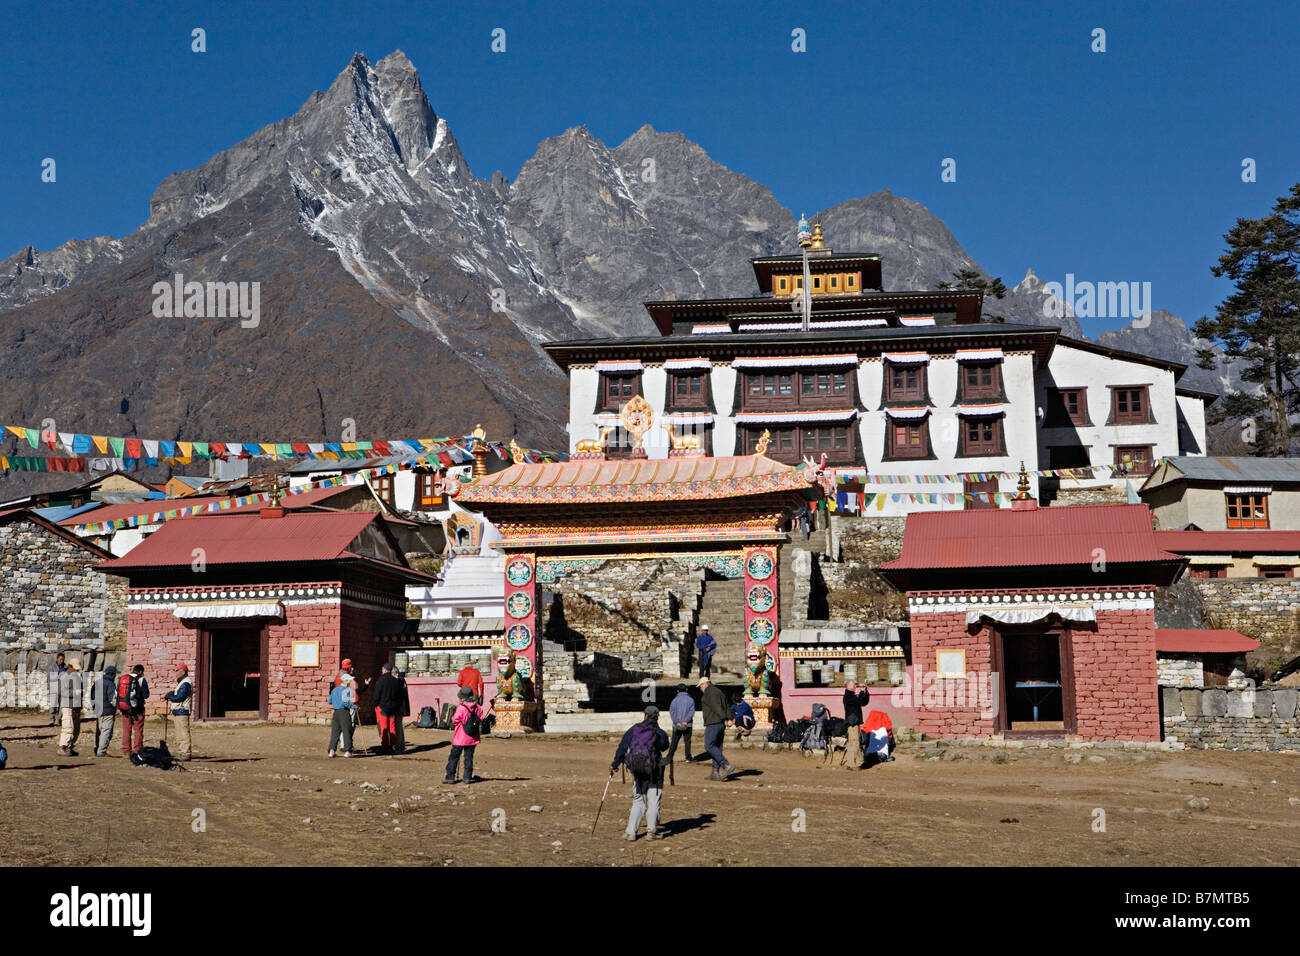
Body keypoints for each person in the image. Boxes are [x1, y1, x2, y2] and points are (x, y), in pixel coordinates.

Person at [611, 705, 669, 841]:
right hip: (655, 770)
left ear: (645, 715)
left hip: (638, 769)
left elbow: (622, 747)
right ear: (657, 717)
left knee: (638, 800)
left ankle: (631, 832)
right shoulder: (659, 732)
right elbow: (665, 746)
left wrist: (615, 764)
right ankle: (651, 832)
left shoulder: (634, 729)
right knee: (653, 801)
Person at [699, 677, 738, 780]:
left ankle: (726, 765)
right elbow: (726, 706)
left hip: (713, 722)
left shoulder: (708, 692)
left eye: (700, 686)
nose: (700, 689)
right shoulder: (719, 691)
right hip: (720, 724)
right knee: (717, 747)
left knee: (709, 746)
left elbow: (716, 707)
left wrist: (725, 718)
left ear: (704, 684)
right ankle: (715, 772)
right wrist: (730, 718)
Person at [444, 686, 484, 784]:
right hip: (472, 738)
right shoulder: (478, 708)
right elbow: (481, 717)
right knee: (468, 758)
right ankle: (467, 777)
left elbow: (455, 720)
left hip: (460, 738)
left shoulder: (461, 708)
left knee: (454, 757)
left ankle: (450, 777)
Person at [163, 664, 195, 761]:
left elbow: (180, 697)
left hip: (182, 711)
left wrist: (170, 697)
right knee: (179, 732)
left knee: (183, 732)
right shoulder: (182, 683)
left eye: (177, 670)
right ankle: (182, 751)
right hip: (179, 711)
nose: (175, 673)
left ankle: (185, 753)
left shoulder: (185, 683)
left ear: (183, 672)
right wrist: (172, 694)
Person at [118, 664, 149, 757]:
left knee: (126, 730)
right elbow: (146, 695)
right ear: (140, 672)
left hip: (125, 709)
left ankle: (126, 751)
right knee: (138, 730)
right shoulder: (141, 680)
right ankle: (137, 750)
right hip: (138, 709)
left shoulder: (123, 679)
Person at [56, 660, 83, 756]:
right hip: (68, 705)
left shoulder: (77, 676)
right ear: (70, 666)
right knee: (68, 727)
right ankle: (63, 747)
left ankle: (69, 746)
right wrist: (75, 693)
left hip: (76, 705)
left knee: (76, 728)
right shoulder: (64, 677)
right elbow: (61, 692)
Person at [372, 663, 400, 753]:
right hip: (393, 707)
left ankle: (385, 745)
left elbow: (376, 695)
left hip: (383, 707)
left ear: (384, 670)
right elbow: (398, 695)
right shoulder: (395, 681)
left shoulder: (381, 680)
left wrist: (375, 704)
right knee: (392, 727)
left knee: (384, 727)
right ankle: (393, 745)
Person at [90, 664, 118, 757]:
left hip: (98, 710)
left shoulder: (97, 682)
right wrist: (115, 708)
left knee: (99, 730)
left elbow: (92, 696)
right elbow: (112, 698)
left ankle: (97, 748)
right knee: (106, 731)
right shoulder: (110, 684)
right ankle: (101, 751)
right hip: (108, 710)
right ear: (113, 675)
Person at [843, 679, 871, 770]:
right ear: (848, 686)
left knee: (854, 743)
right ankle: (853, 764)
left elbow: (863, 702)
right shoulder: (848, 696)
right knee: (854, 743)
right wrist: (862, 691)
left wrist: (865, 692)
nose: (855, 686)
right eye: (854, 685)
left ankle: (853, 762)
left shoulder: (852, 696)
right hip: (852, 723)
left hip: (855, 722)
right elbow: (859, 701)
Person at [666, 684, 695, 764]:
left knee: (674, 742)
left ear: (677, 691)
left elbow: (672, 712)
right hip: (687, 725)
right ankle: (688, 757)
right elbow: (691, 712)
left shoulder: (674, 700)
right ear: (686, 690)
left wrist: (676, 722)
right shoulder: (690, 700)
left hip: (676, 725)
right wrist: (686, 721)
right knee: (687, 742)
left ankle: (669, 757)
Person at [328, 677, 357, 757]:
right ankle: (348, 751)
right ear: (347, 682)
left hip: (336, 712)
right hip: (344, 712)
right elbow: (345, 702)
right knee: (346, 731)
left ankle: (332, 751)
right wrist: (354, 706)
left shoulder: (334, 690)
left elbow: (329, 701)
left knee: (335, 732)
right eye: (350, 681)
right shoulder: (346, 690)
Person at [47, 652, 66, 726]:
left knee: (62, 706)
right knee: (53, 706)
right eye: (60, 659)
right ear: (57, 659)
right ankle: (51, 720)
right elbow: (49, 678)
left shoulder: (65, 667)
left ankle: (59, 720)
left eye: (63, 659)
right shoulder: (52, 667)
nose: (62, 661)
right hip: (54, 689)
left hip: (63, 689)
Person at [394, 669, 410, 752]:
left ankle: (399, 746)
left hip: (398, 707)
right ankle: (401, 745)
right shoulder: (402, 680)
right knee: (399, 727)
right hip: (403, 707)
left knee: (397, 727)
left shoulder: (398, 681)